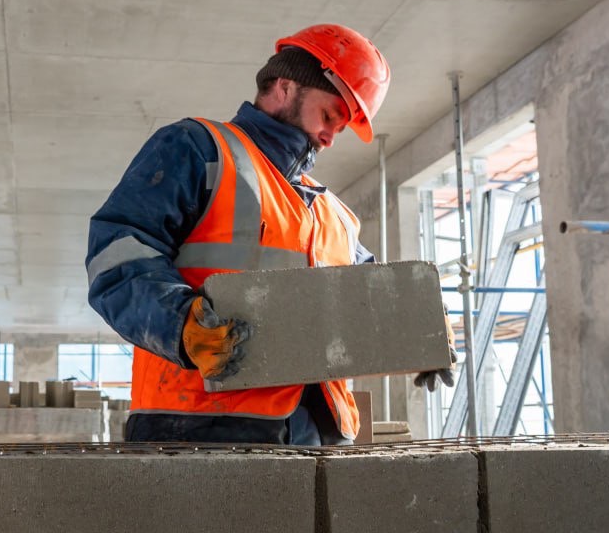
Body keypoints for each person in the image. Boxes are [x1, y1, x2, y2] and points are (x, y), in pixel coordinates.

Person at [85, 23, 453, 445]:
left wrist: (419, 326)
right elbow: (117, 255)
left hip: (318, 436)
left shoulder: (334, 214)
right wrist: (181, 323)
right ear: (284, 87)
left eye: (343, 125)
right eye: (331, 114)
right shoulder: (197, 149)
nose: (331, 137)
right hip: (197, 427)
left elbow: (372, 296)